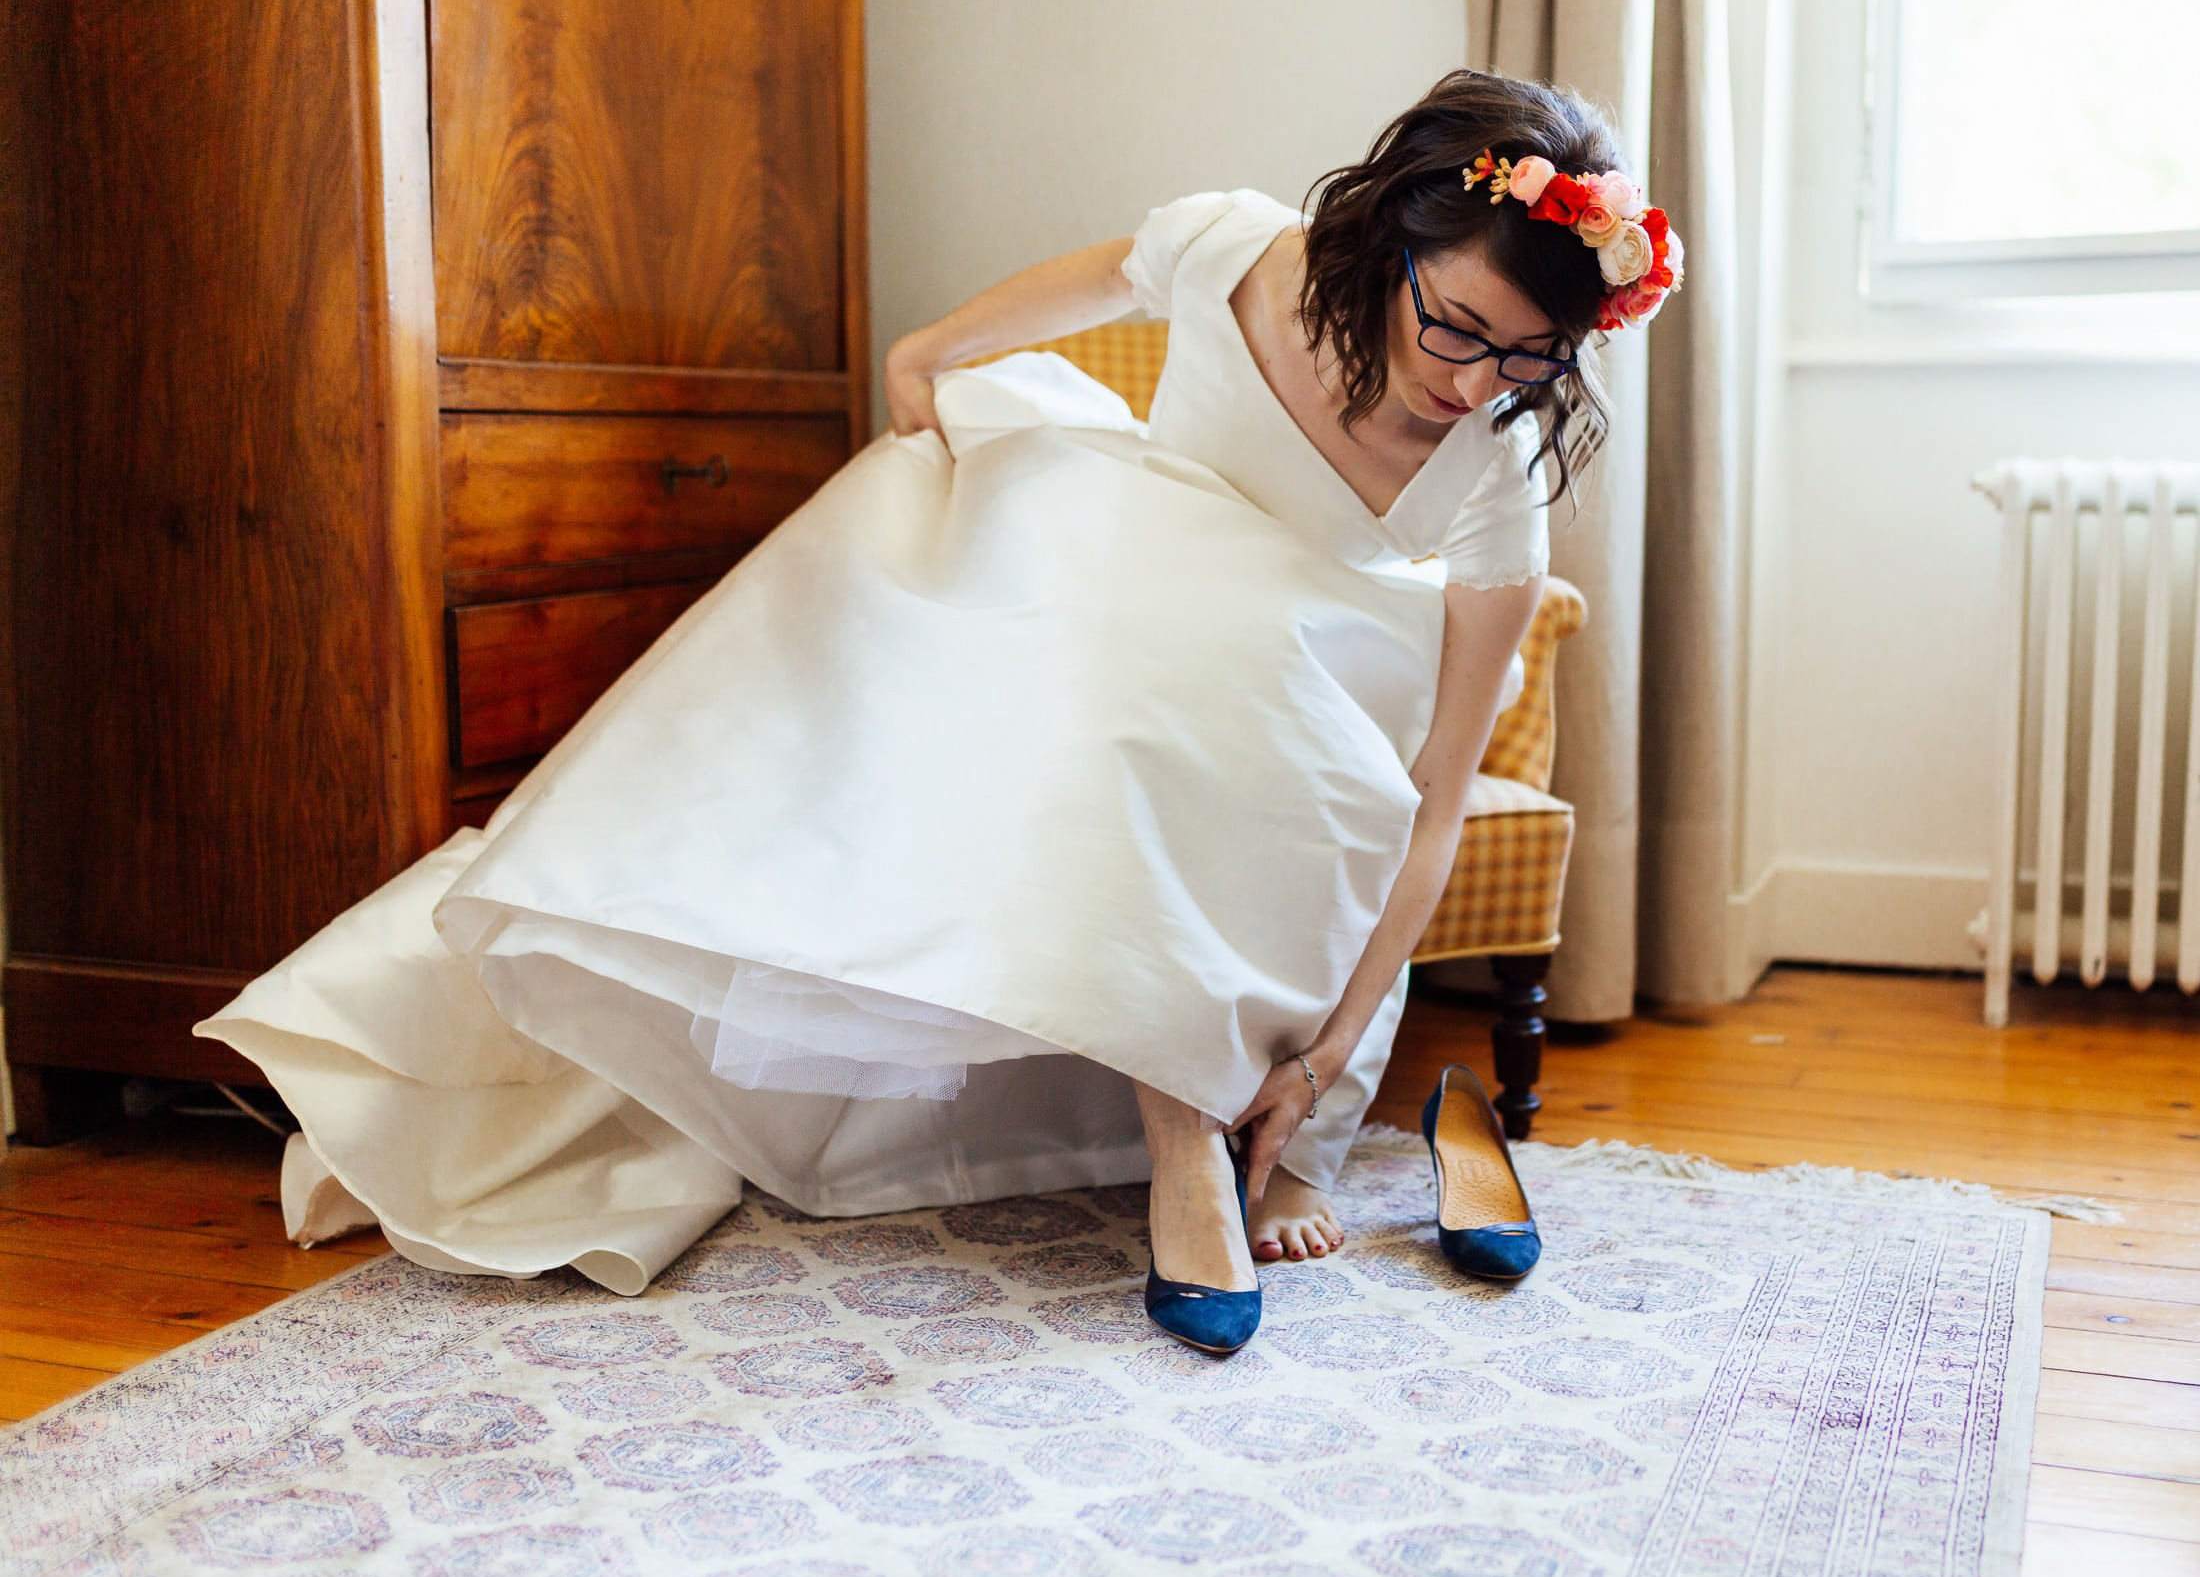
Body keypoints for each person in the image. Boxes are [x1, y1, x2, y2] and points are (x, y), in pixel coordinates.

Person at [196, 67, 1680, 1355]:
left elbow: (1433, 793)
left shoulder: (1494, 483)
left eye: (1530, 361)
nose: (1476, 382)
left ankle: (1277, 1115)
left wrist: (1336, 1035)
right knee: (1079, 606)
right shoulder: (1243, 253)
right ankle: (1183, 1146)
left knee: (1261, 733)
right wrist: (926, 354)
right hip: (1126, 589)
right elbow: (1090, 282)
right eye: (1460, 328)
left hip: (1310, 671)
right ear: (1394, 237)